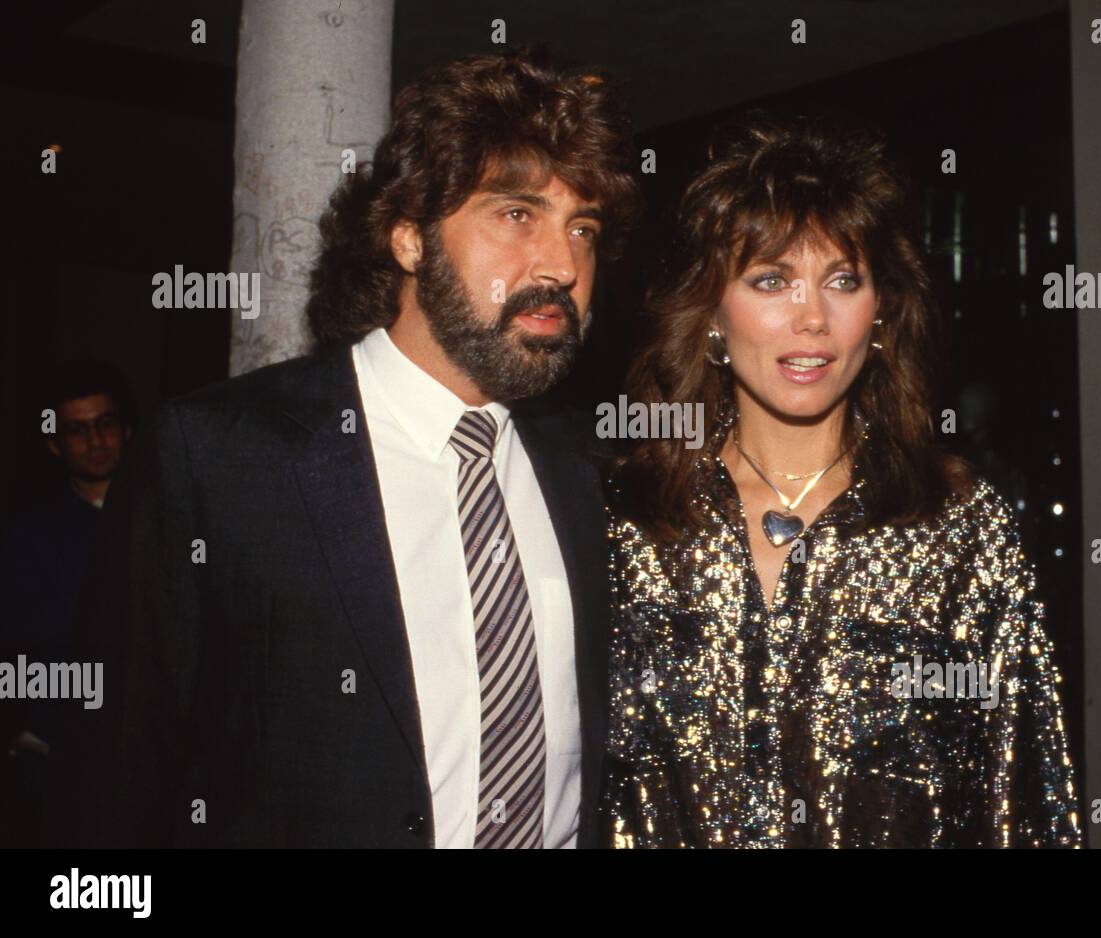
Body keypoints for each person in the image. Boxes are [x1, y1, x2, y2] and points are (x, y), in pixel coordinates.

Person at [45, 47, 641, 849]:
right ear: (409, 239)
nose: (564, 264)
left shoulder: (592, 465)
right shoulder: (219, 455)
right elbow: (114, 776)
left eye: (583, 227)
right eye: (516, 215)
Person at [601, 111, 1082, 847]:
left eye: (842, 280)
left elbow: (1025, 806)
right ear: (711, 317)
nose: (813, 319)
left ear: (882, 312)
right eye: (771, 280)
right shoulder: (626, 523)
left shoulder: (959, 531)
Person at [1, 360, 133, 846]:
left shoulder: (166, 521)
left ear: (126, 430)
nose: (96, 442)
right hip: (54, 753)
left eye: (105, 425)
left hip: (144, 755)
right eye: (77, 431)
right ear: (55, 443)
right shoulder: (28, 539)